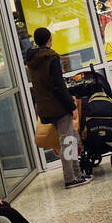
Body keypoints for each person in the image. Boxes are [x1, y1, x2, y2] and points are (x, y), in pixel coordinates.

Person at [24, 27, 92, 189]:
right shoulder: (51, 58)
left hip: (45, 106)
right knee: (68, 141)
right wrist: (71, 106)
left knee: (72, 138)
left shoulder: (32, 60)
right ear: (49, 39)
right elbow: (58, 85)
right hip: (58, 106)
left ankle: (78, 173)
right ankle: (70, 178)